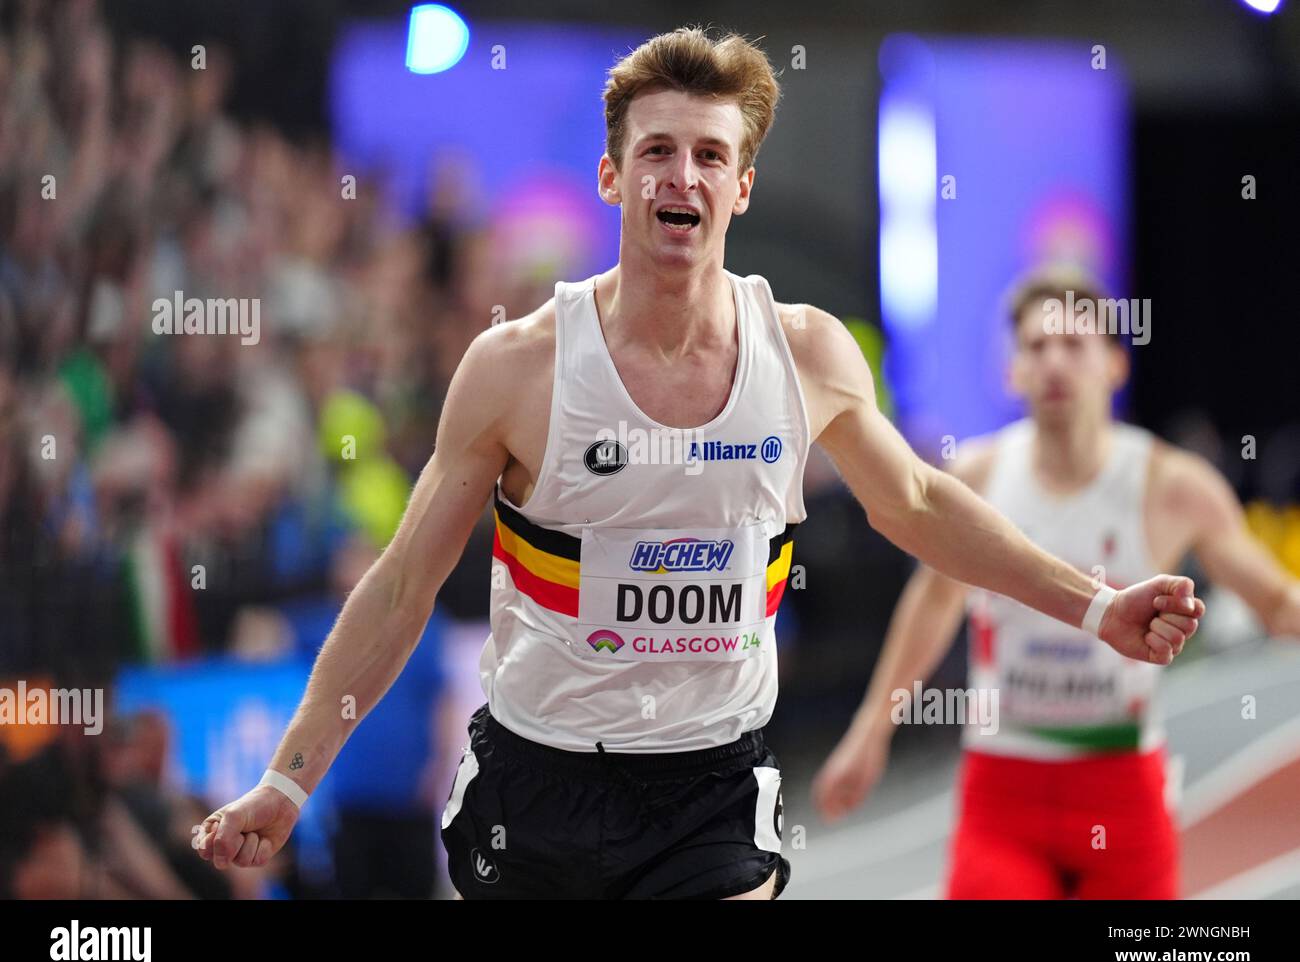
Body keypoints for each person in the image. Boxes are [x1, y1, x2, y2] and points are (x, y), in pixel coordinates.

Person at [196, 29, 1203, 900]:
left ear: (741, 185)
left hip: (709, 793)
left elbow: (919, 501)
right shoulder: (518, 368)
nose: (683, 177)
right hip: (537, 784)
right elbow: (401, 584)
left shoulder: (805, 354)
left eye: (709, 156)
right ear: (612, 175)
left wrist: (1092, 605)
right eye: (657, 152)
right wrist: (288, 780)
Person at [812, 266, 1300, 899]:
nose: (1054, 364)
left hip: (1122, 799)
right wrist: (870, 731)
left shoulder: (1172, 485)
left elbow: (1276, 600)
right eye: (1037, 348)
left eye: (1074, 344)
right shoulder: (979, 476)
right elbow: (932, 604)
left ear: (1115, 364)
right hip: (1004, 795)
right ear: (1013, 371)